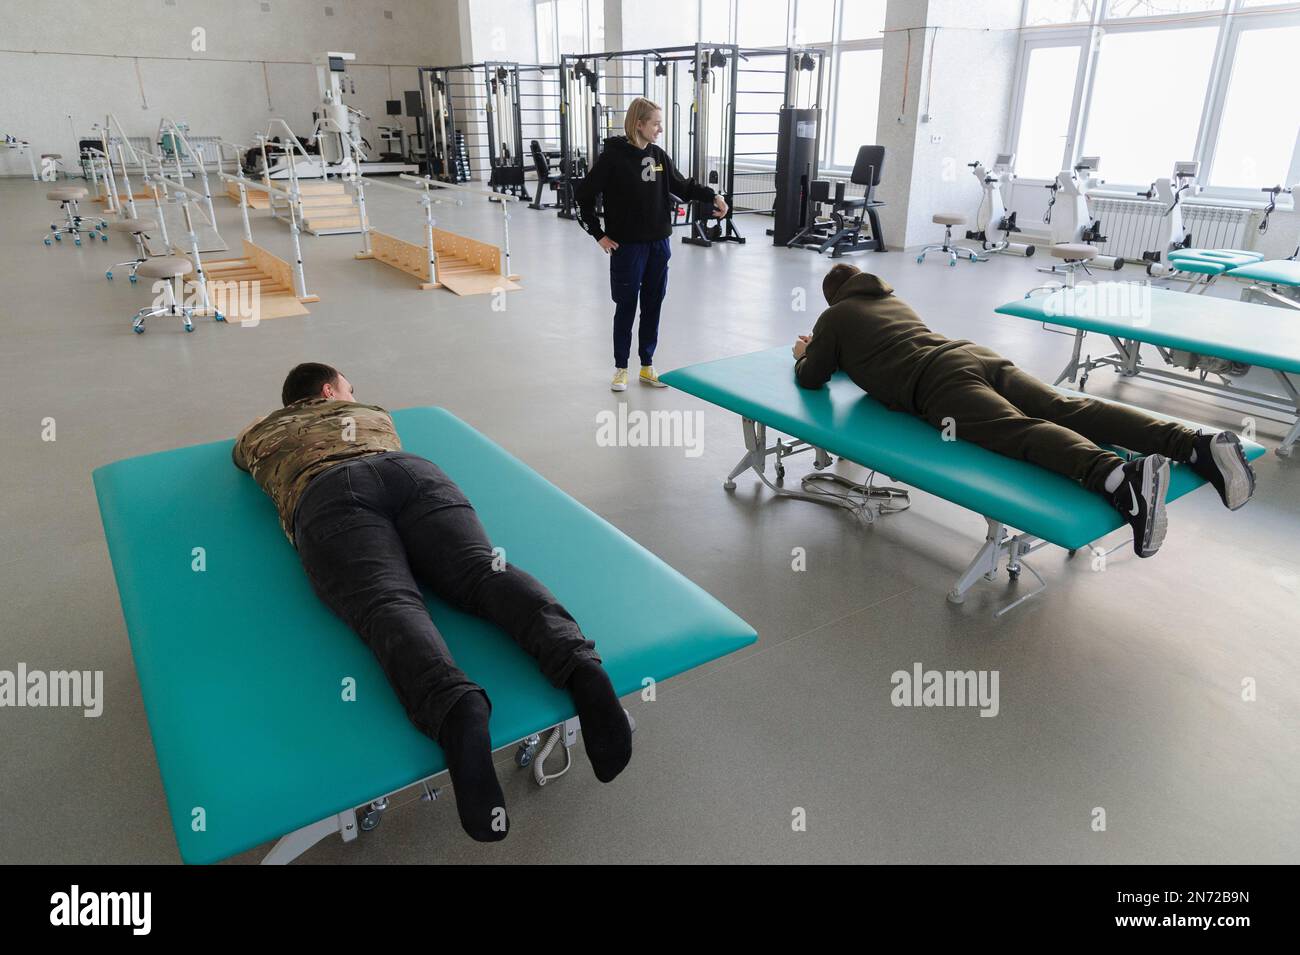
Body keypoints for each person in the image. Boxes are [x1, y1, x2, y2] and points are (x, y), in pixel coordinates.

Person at [231, 363, 633, 843]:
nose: (354, 391)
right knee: (484, 571)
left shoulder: (261, 433)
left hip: (326, 494)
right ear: (329, 392)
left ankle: (455, 709)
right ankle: (578, 663)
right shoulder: (372, 414)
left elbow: (239, 456)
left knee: (388, 603)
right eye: (348, 385)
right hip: (409, 474)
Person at [792, 264, 1257, 557]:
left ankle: (1119, 479)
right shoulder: (891, 299)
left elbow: (814, 377)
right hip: (971, 354)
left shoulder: (836, 316)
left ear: (833, 298)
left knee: (1019, 432)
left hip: (936, 384)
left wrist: (804, 353)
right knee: (1064, 405)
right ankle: (1195, 444)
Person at [574, 96, 729, 392]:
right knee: (626, 306)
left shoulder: (658, 155)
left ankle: (647, 364)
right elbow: (583, 196)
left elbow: (683, 186)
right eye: (655, 123)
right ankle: (621, 368)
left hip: (659, 244)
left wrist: (713, 196)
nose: (660, 129)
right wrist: (598, 234)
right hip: (627, 247)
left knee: (653, 304)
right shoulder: (613, 158)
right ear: (639, 124)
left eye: (660, 123)